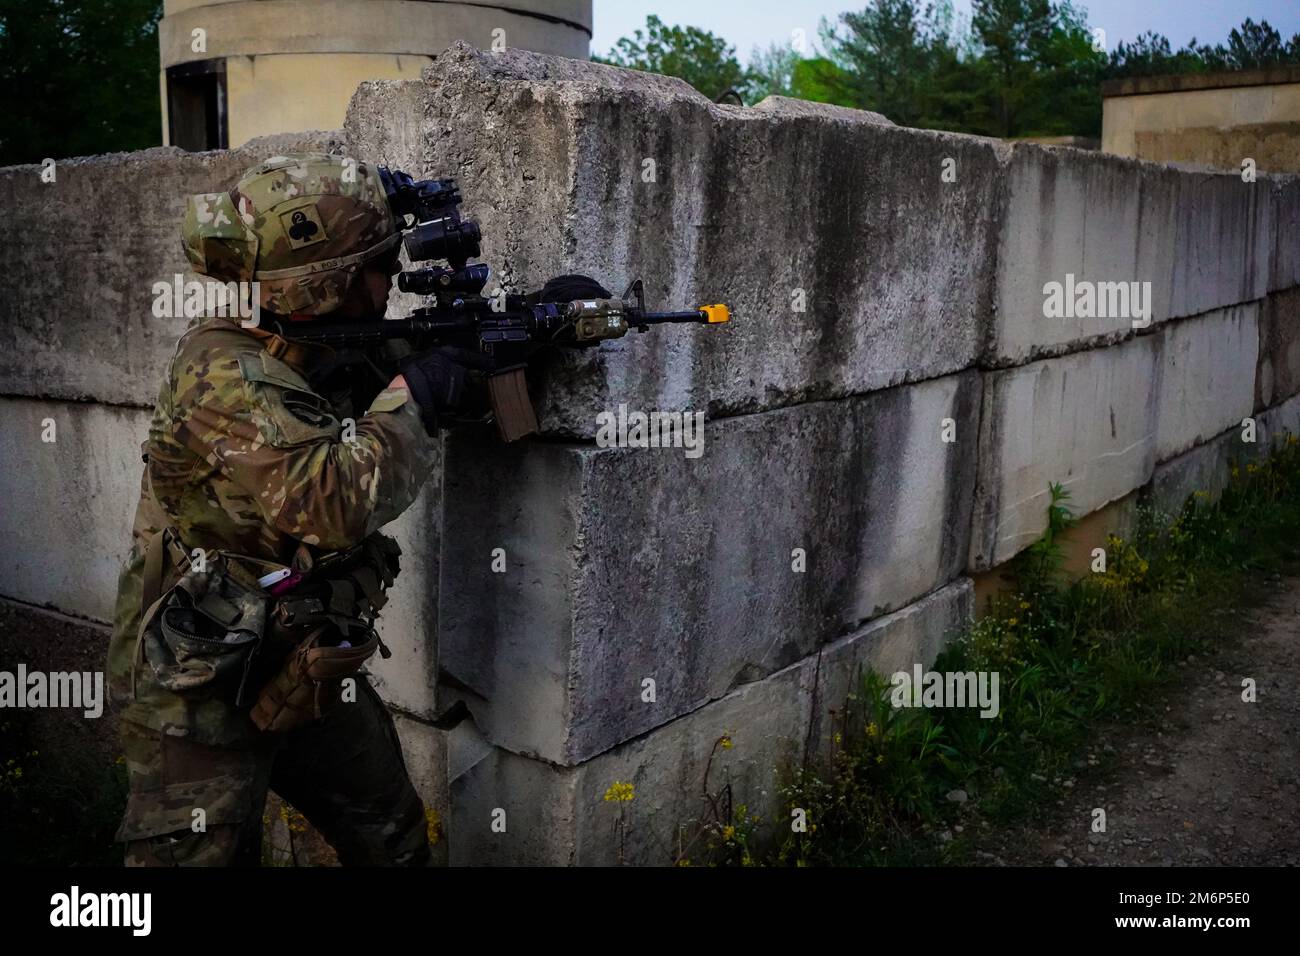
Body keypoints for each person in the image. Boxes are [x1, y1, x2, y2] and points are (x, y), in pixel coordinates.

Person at [105, 153, 478, 866]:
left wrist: (529, 331)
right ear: (327, 285)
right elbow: (329, 500)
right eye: (379, 265)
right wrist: (419, 396)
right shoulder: (223, 373)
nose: (392, 278)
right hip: (200, 673)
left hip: (302, 655)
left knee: (391, 834)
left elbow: (414, 363)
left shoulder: (313, 341)